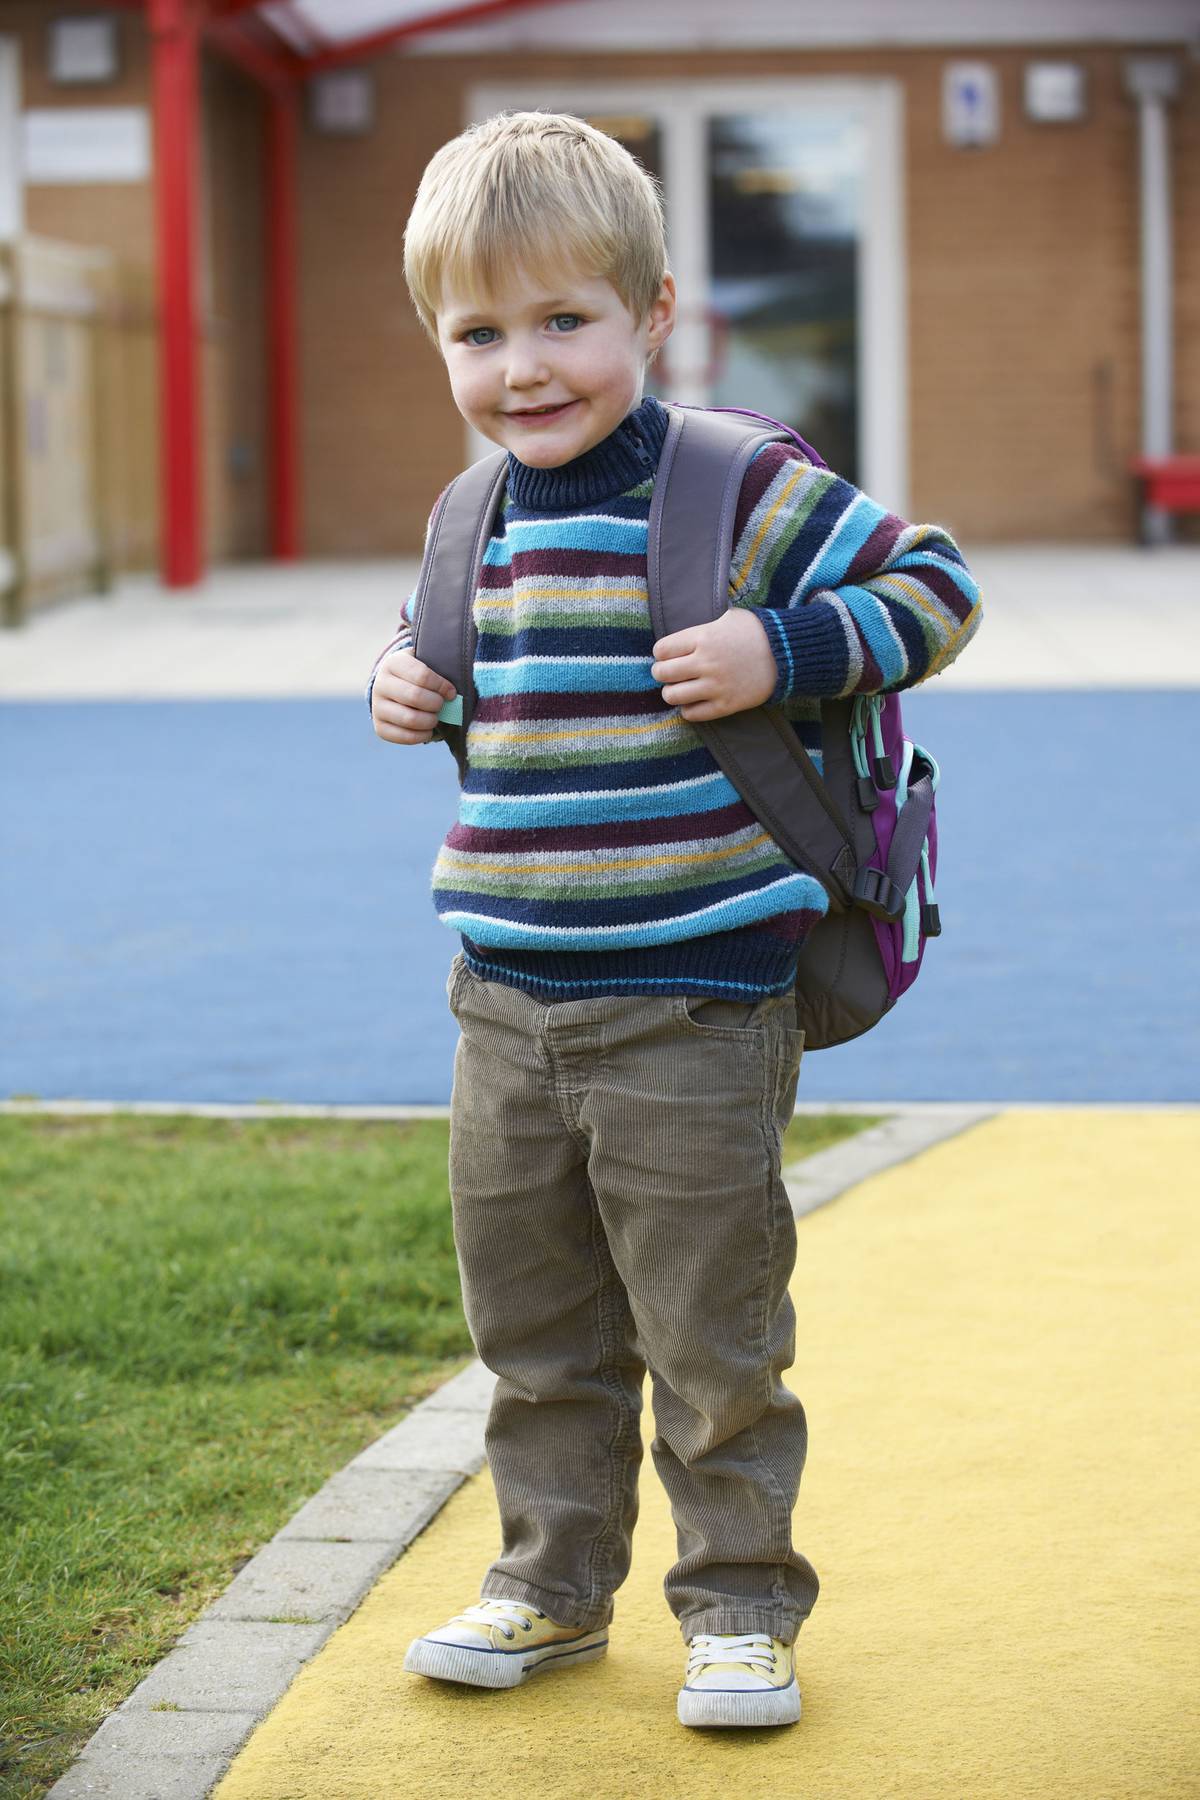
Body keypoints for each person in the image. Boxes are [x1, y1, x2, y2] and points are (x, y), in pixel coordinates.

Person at [366, 110, 982, 1731]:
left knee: (711, 1335)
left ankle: (737, 1609)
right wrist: (409, 682)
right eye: (479, 333)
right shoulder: (470, 515)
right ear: (442, 341)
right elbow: (495, 693)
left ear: (651, 315)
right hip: (501, 1000)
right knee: (537, 1330)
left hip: (698, 1000)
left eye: (565, 320)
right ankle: (552, 1588)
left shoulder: (735, 483)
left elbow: (935, 587)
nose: (525, 367)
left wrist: (788, 651)